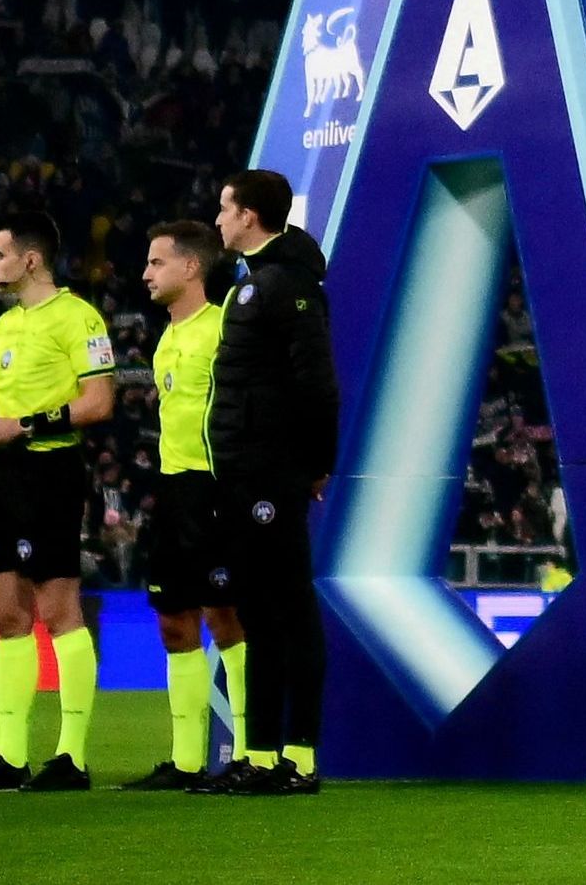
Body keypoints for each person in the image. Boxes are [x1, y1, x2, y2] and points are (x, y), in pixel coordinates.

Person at [0, 211, 120, 791]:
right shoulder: (2, 328)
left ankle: (72, 757)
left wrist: (23, 424)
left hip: (50, 469)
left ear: (30, 260)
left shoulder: (78, 317)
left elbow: (99, 401)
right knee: (7, 616)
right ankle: (8, 755)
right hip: (0, 474)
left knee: (57, 612)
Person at [209, 167, 342, 796]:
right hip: (244, 470)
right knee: (260, 612)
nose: (217, 220)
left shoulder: (286, 287)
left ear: (250, 216)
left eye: (225, 209)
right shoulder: (256, 284)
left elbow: (317, 384)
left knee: (289, 607)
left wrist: (316, 464)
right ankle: (259, 756)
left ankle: (301, 757)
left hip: (271, 470)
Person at [127, 220, 243, 792]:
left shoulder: (223, 328)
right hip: (175, 490)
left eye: (157, 263)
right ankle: (187, 760)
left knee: (227, 618)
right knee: (174, 622)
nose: (146, 273)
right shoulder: (167, 338)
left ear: (191, 268)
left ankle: (248, 754)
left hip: (216, 486)